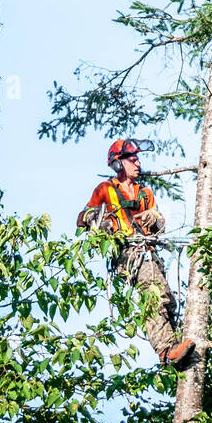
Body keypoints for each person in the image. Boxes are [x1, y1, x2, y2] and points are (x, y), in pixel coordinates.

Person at [77, 137, 194, 368]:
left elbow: (160, 224)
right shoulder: (105, 190)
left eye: (138, 159)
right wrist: (101, 223)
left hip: (148, 250)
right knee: (152, 293)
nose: (138, 163)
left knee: (168, 302)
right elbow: (82, 217)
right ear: (119, 164)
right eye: (132, 160)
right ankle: (165, 350)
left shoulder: (145, 193)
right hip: (125, 252)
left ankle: (176, 351)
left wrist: (155, 218)